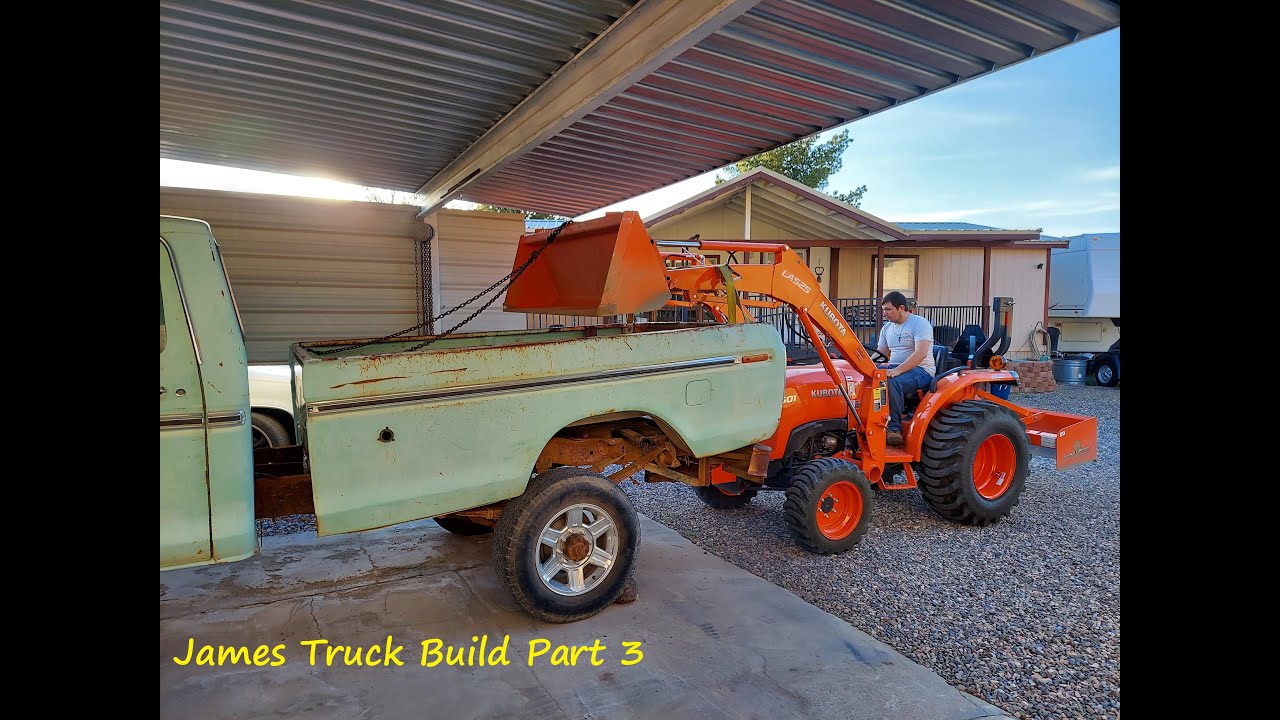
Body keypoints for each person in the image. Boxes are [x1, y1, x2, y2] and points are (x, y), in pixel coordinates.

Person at [875, 292, 935, 446]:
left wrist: (898, 371)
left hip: (921, 370)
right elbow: (880, 353)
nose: (885, 314)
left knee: (893, 382)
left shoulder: (920, 324)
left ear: (901, 307)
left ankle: (894, 429)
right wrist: (864, 366)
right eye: (884, 310)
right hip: (895, 367)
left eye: (888, 309)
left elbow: (920, 354)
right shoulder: (887, 328)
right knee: (869, 378)